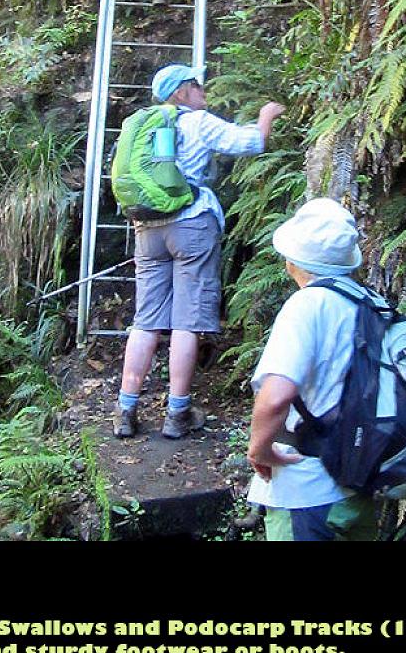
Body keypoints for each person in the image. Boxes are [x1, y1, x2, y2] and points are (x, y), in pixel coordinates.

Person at [114, 64, 285, 439]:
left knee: (145, 320)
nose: (201, 87)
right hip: (191, 225)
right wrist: (267, 116)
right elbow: (251, 143)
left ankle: (126, 409)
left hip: (148, 229)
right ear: (180, 93)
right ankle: (177, 413)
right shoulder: (196, 122)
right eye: (195, 83)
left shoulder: (144, 126)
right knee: (187, 320)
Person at [245, 198, 382, 541]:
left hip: (306, 487)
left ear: (294, 261)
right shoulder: (373, 303)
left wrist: (259, 449)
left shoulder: (307, 306)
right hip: (359, 480)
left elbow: (276, 397)